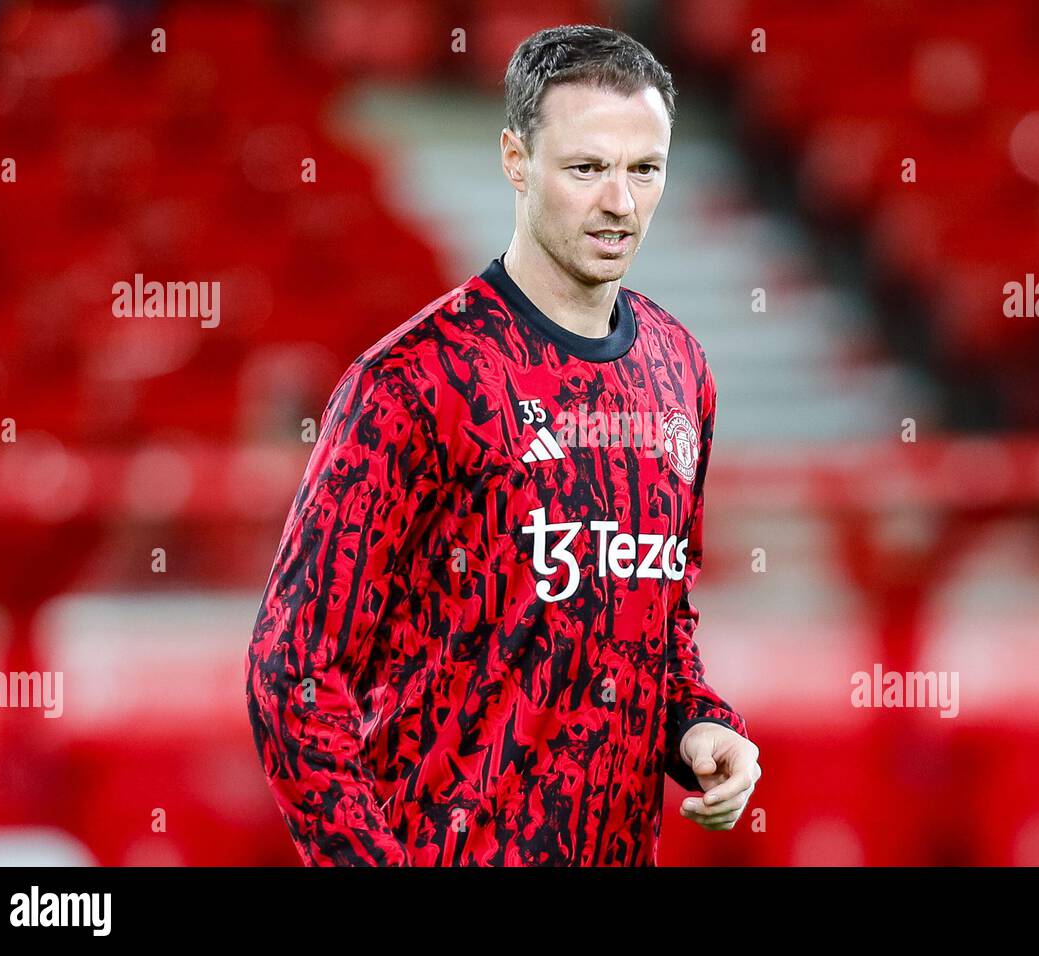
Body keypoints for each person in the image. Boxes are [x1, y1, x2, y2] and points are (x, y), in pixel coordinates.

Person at [245, 23, 760, 866]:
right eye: (587, 168)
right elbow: (291, 675)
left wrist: (701, 725)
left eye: (645, 169)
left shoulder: (681, 369)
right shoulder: (414, 381)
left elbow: (659, 621)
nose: (620, 203)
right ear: (516, 161)